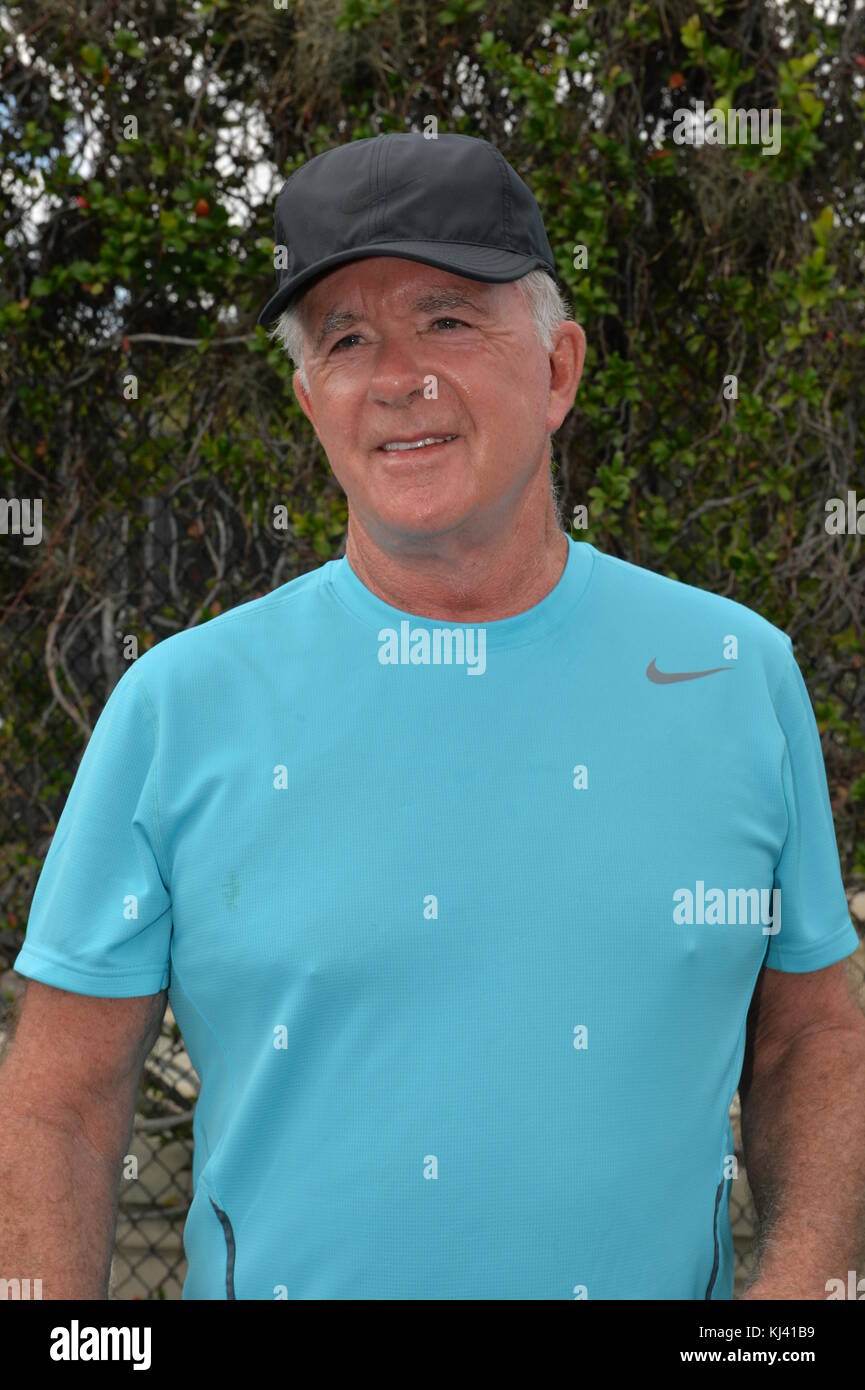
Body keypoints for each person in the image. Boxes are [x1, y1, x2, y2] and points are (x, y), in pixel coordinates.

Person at [3, 133, 864, 1301]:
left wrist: (797, 1296)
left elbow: (808, 1035)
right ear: (313, 405)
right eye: (347, 340)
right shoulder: (179, 706)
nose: (398, 376)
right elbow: (62, 1098)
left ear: (558, 369)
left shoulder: (731, 673)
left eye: (448, 320)